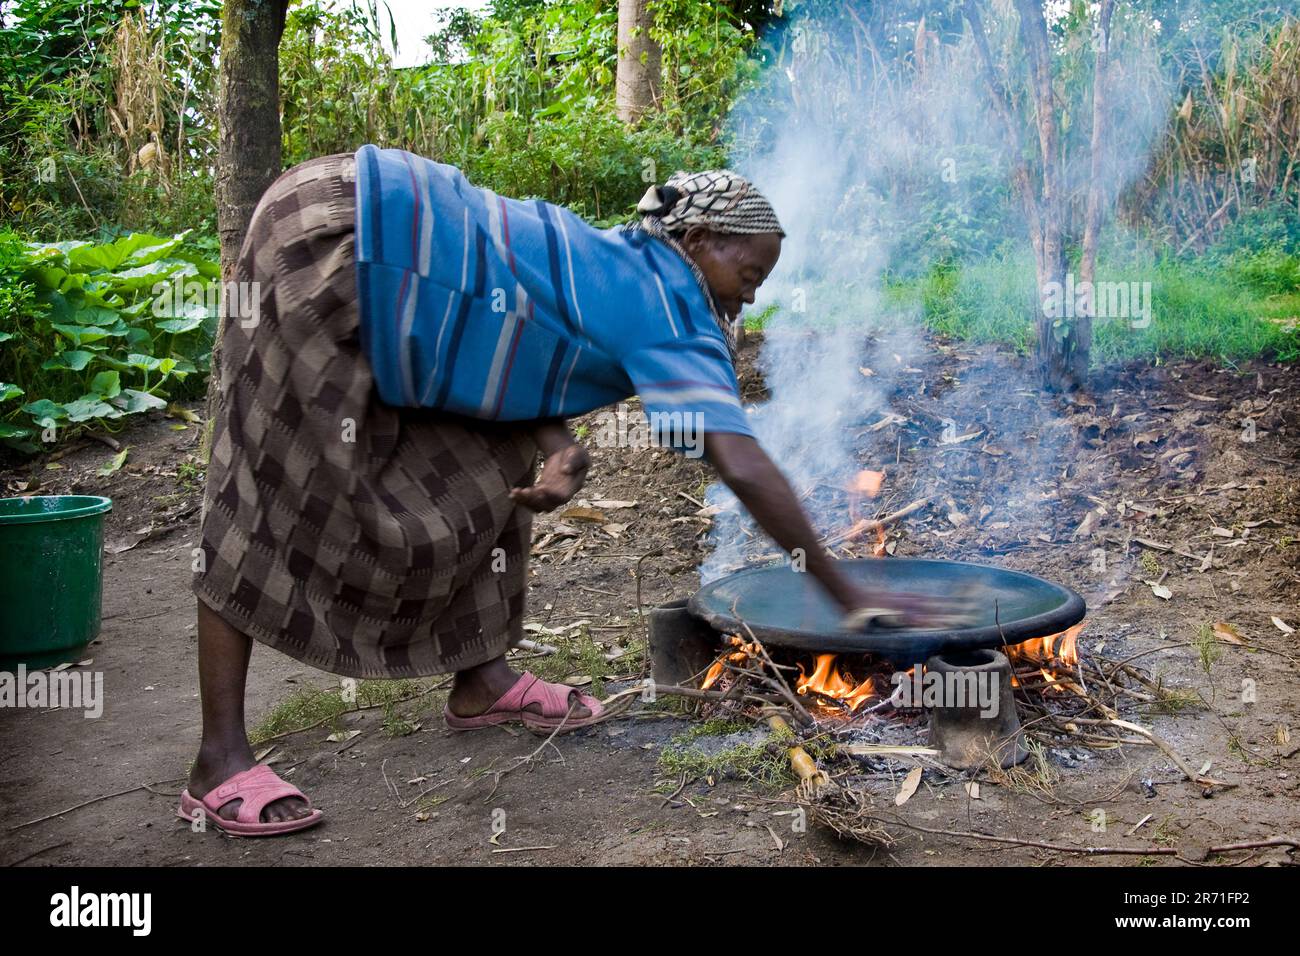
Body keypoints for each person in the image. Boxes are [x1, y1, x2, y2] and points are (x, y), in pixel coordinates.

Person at [181, 149, 909, 836]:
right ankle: (219, 759)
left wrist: (557, 441)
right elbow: (741, 465)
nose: (755, 291)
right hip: (340, 243)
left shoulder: (632, 261)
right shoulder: (671, 304)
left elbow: (519, 329)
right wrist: (843, 592)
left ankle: (480, 680)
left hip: (366, 229)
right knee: (274, 488)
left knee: (490, 464)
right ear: (701, 236)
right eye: (750, 271)